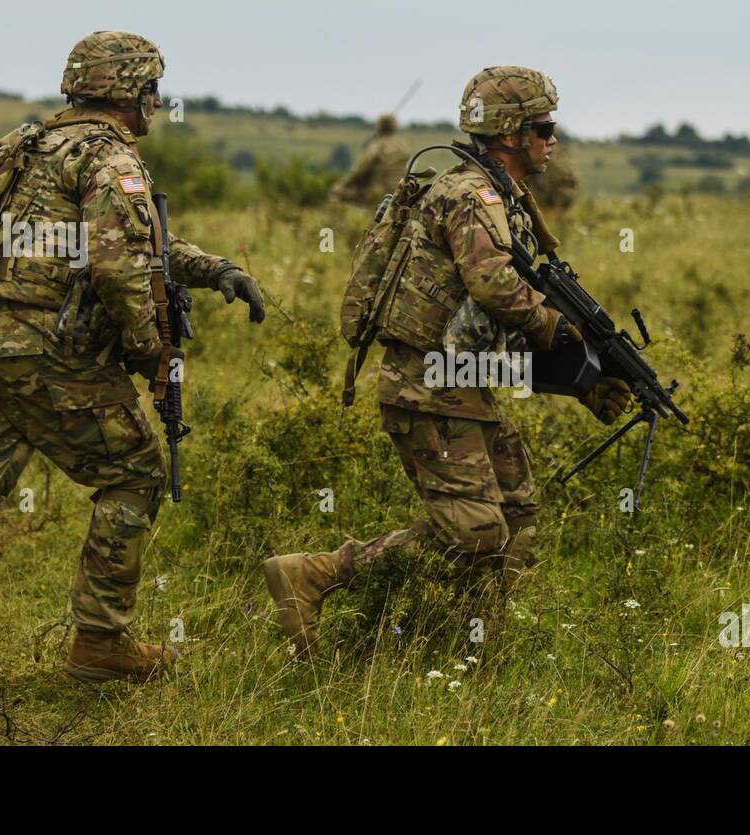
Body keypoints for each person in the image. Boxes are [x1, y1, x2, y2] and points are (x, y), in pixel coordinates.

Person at [0, 31, 267, 709]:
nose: (156, 103)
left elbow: (132, 238)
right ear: (131, 92)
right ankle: (100, 641)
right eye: (152, 90)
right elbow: (122, 263)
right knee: (135, 471)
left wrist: (216, 270)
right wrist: (153, 356)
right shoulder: (109, 155)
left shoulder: (28, 143)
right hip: (51, 355)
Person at [265, 66, 631, 654]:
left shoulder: (500, 199)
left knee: (519, 521)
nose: (553, 139)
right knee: (477, 532)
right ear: (511, 133)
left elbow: (482, 334)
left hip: (464, 382)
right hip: (427, 388)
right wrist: (562, 331)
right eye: (543, 127)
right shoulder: (470, 195)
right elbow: (493, 289)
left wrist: (579, 380)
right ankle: (317, 573)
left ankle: (472, 647)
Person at [327, 113, 410, 206]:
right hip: (400, 192)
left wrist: (343, 184)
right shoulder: (403, 146)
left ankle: (337, 218)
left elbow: (359, 170)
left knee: (336, 192)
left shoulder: (377, 145)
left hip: (380, 193)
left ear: (379, 127)